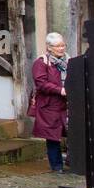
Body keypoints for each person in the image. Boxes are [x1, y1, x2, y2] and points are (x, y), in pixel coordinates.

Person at [31, 32, 69, 172]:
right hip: (49, 105)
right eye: (57, 46)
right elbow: (41, 83)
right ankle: (57, 166)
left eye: (62, 45)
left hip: (66, 105)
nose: (61, 48)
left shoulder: (68, 61)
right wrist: (60, 90)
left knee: (73, 132)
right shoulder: (41, 63)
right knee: (53, 137)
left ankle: (72, 162)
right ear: (49, 47)